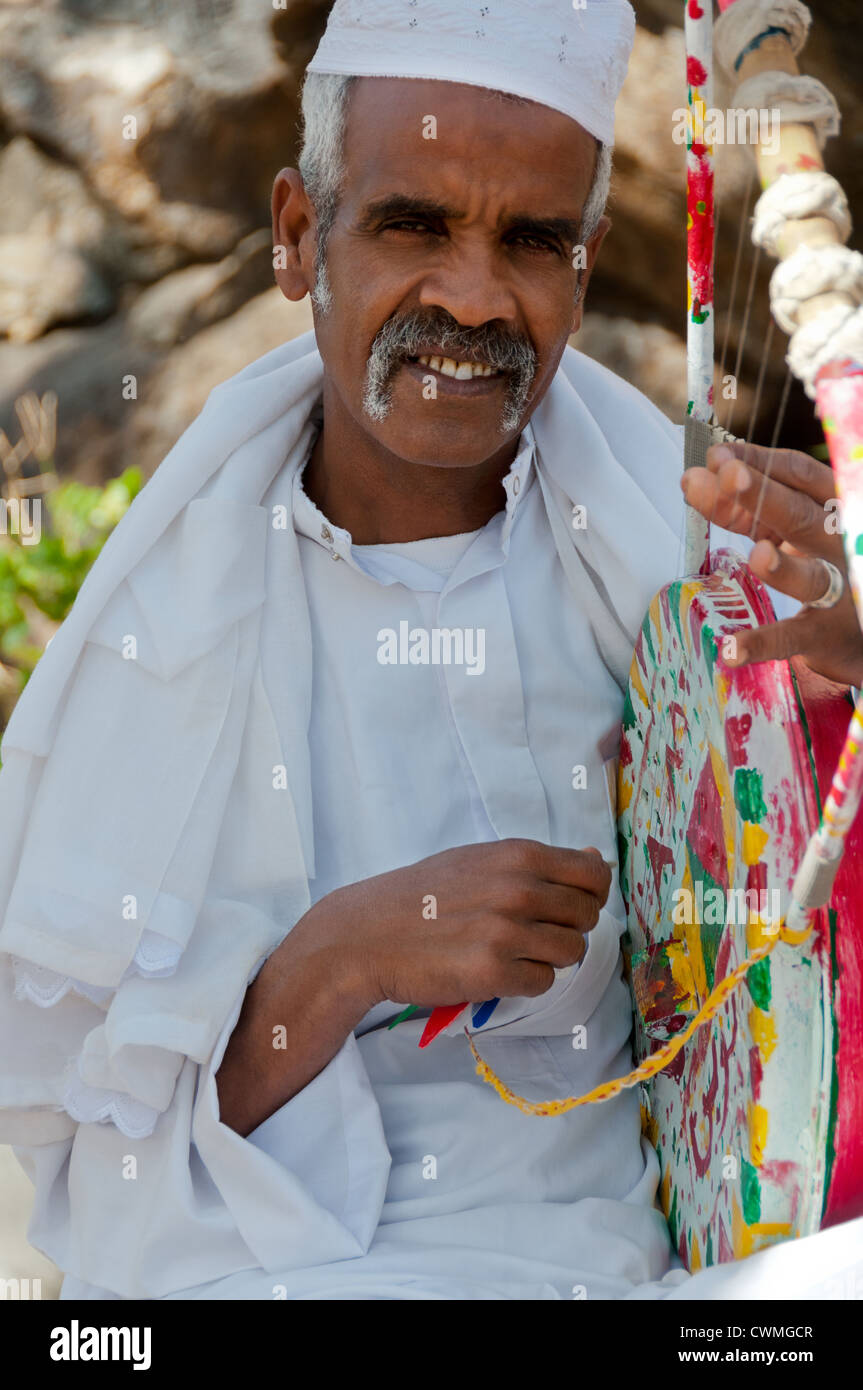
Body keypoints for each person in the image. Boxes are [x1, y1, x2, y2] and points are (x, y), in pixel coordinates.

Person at [0, 0, 861, 1301]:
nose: (470, 296)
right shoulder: (170, 633)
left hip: (651, 1274)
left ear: (587, 263)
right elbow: (104, 1155)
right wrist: (346, 956)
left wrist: (848, 657)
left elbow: (802, 898)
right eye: (413, 225)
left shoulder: (686, 554)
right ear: (299, 236)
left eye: (531, 240)